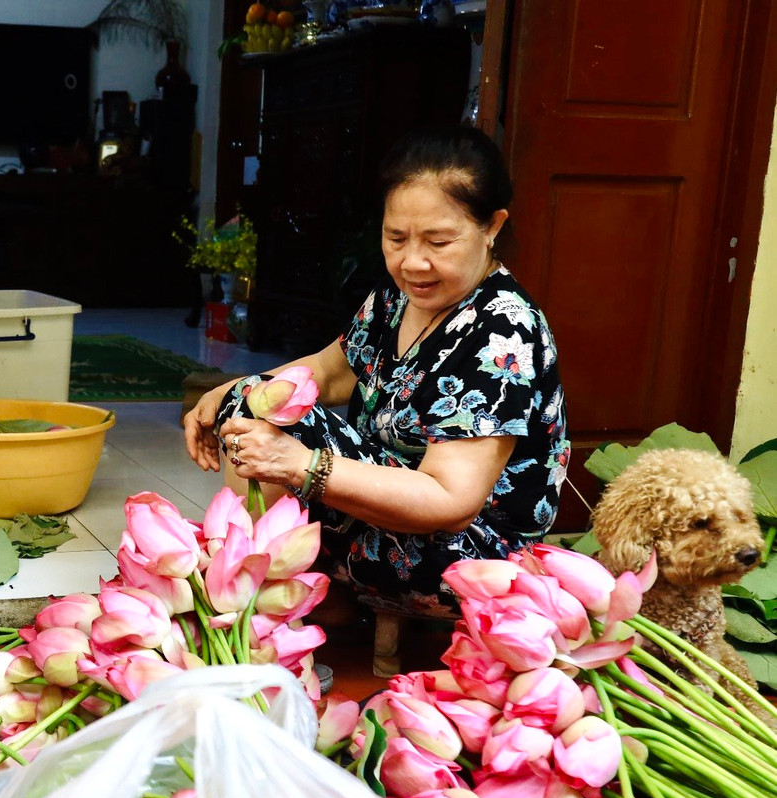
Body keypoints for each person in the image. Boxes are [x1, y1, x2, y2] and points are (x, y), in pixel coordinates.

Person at [183, 124, 569, 616]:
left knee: (274, 431)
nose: (413, 262)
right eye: (396, 237)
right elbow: (327, 372)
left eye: (438, 241)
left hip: (468, 556)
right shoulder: (396, 298)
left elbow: (450, 501)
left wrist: (301, 466)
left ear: (492, 227)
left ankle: (255, 597)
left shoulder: (502, 331)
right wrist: (226, 392)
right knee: (257, 403)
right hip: (379, 511)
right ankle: (249, 588)